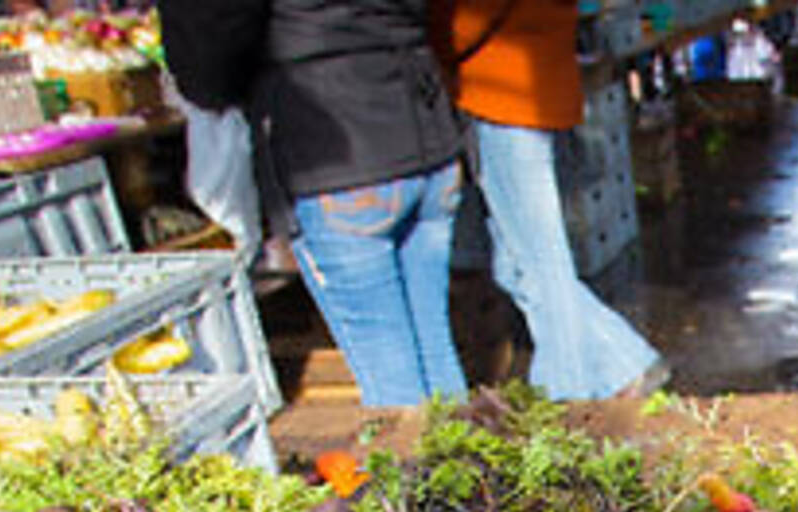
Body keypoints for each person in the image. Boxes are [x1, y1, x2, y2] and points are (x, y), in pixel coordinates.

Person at [160, 0, 469, 407]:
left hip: (337, 151)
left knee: (390, 377)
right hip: (426, 132)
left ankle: (420, 466)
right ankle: (467, 465)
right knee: (433, 350)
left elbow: (208, 47)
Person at [435, 0, 668, 401]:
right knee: (515, 265)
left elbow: (467, 22)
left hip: (503, 97)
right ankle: (625, 362)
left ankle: (568, 394)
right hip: (535, 86)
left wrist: (426, 48)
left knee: (539, 263)